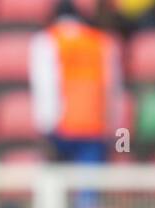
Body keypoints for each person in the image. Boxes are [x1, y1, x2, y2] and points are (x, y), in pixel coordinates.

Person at [29, 1, 123, 167]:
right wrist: (113, 125)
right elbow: (113, 88)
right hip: (95, 125)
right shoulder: (101, 42)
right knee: (88, 185)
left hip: (61, 127)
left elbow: (45, 86)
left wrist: (46, 127)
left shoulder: (46, 41)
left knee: (56, 184)